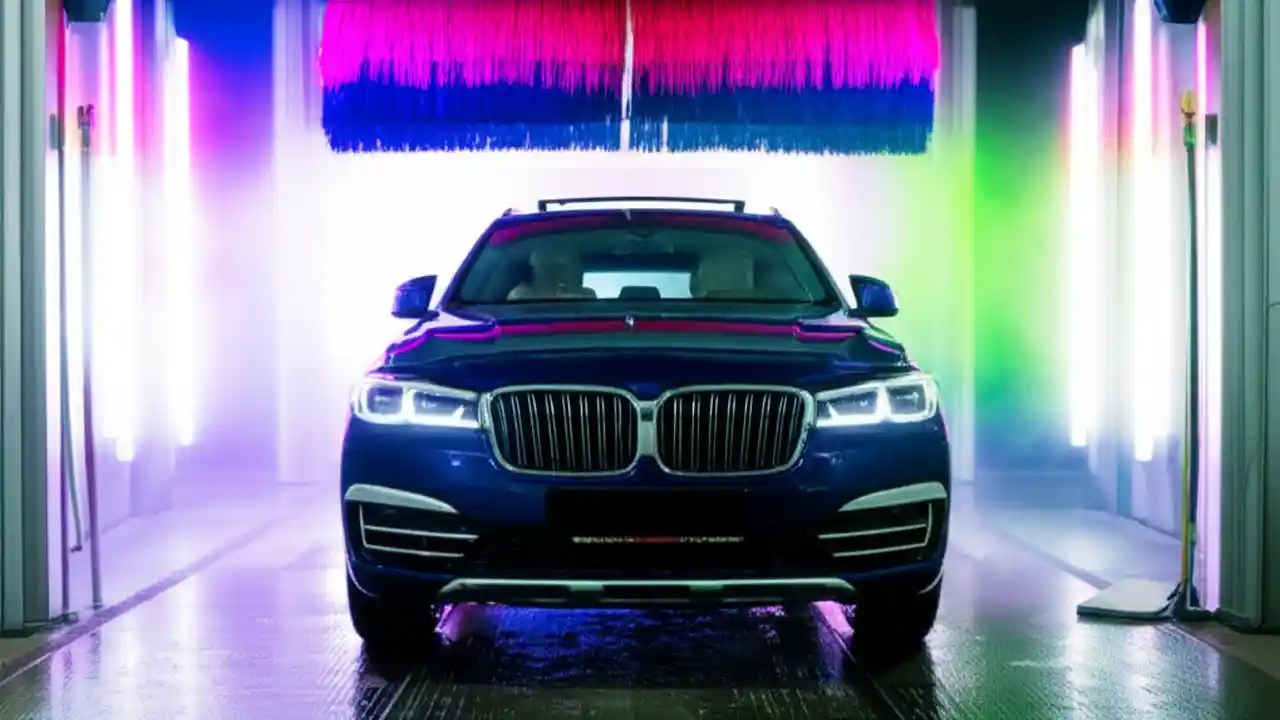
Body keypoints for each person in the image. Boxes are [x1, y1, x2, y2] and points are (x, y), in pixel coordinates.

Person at [506, 246, 597, 300]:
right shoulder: (520, 295)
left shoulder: (585, 296)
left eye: (561, 267)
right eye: (548, 268)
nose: (555, 273)